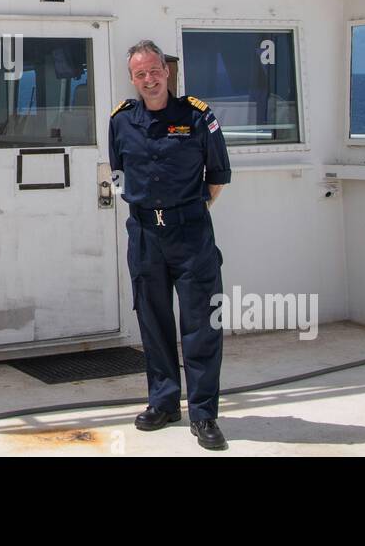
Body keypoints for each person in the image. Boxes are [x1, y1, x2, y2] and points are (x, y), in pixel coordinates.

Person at [109, 39, 231, 450]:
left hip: (190, 235)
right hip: (144, 236)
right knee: (153, 323)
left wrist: (183, 213)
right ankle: (163, 403)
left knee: (201, 326)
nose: (149, 79)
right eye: (140, 74)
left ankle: (204, 414)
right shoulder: (121, 122)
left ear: (167, 70)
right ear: (132, 79)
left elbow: (216, 177)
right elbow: (119, 172)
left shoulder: (198, 117)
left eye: (154, 70)